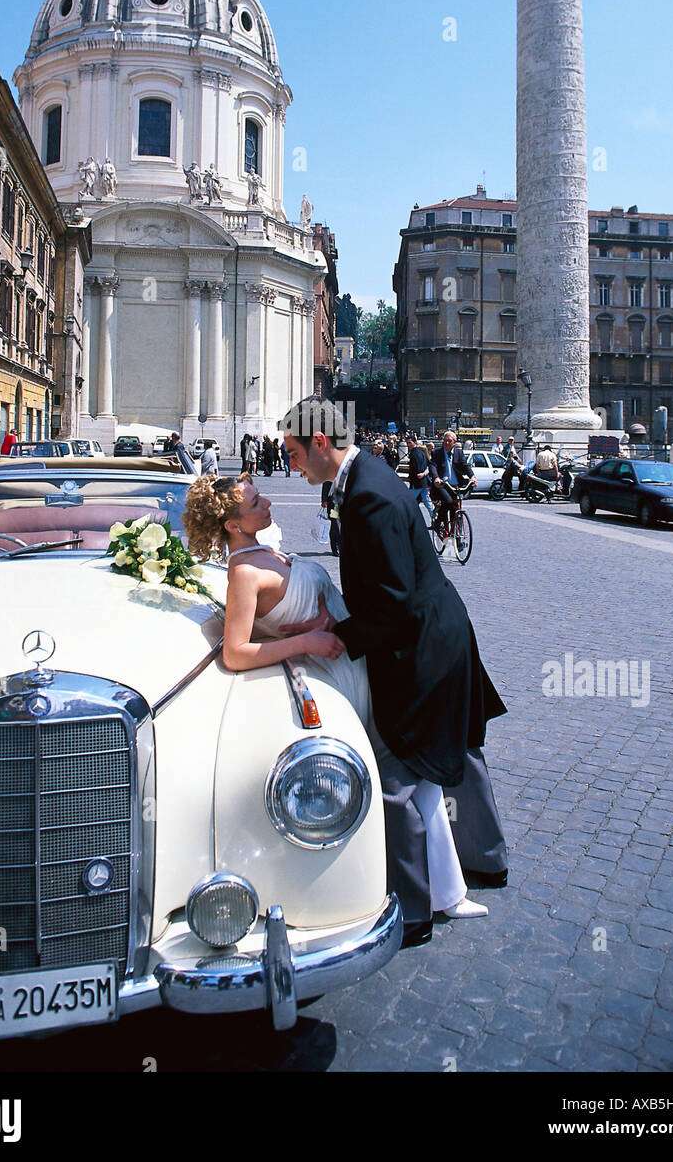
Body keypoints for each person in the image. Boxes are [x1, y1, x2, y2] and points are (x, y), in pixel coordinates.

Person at [182, 469, 485, 928]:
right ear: (233, 525)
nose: (266, 503)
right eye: (256, 502)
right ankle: (429, 892)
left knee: (416, 769)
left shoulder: (263, 549)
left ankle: (442, 887)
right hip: (339, 672)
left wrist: (312, 627)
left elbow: (283, 613)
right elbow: (236, 651)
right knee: (406, 771)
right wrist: (307, 643)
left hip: (354, 657)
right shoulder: (243, 571)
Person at [280, 400, 507, 947]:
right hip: (436, 630)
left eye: (292, 453)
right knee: (459, 746)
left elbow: (391, 605)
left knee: (397, 775)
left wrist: (331, 636)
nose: (290, 466)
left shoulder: (369, 498)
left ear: (319, 443)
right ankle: (486, 859)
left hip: (419, 644)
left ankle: (411, 910)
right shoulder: (364, 482)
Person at [430, 431, 477, 529]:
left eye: (449, 441)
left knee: (455, 509)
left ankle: (457, 536)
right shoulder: (437, 453)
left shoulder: (459, 453)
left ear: (454, 443)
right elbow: (433, 466)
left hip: (455, 486)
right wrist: (436, 478)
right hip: (442, 485)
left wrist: (472, 477)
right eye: (445, 441)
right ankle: (438, 521)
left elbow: (465, 465)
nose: (447, 443)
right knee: (448, 501)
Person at [406, 435, 434, 521]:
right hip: (424, 482)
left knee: (409, 502)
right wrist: (424, 474)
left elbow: (415, 469)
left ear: (414, 442)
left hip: (416, 483)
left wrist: (412, 476)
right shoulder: (421, 452)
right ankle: (435, 517)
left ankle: (409, 520)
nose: (408, 445)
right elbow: (429, 465)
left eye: (409, 443)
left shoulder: (413, 454)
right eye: (407, 443)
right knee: (427, 502)